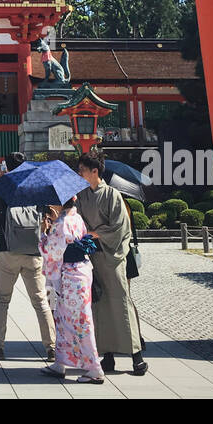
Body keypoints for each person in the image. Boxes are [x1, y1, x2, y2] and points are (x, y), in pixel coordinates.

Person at [76, 151, 147, 376]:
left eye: (83, 170)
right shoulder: (82, 196)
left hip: (112, 258)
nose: (80, 174)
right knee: (99, 306)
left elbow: (119, 228)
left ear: (94, 171)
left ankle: (136, 356)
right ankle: (107, 356)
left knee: (120, 302)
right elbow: (78, 223)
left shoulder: (113, 195)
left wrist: (94, 233)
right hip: (93, 257)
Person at [0, 154, 56, 361]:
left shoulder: (3, 186)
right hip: (33, 251)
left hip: (7, 250)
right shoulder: (36, 185)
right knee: (40, 300)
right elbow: (44, 216)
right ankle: (51, 347)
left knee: (1, 300)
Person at [40, 196, 104, 384]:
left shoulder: (62, 223)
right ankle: (60, 362)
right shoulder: (76, 217)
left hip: (71, 274)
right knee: (62, 319)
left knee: (80, 322)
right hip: (80, 270)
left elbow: (50, 251)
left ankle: (95, 369)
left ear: (58, 203)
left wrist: (44, 233)